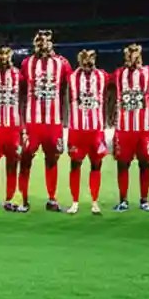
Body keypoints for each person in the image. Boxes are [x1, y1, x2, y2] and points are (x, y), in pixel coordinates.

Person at [20, 29, 71, 212]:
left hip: (53, 122)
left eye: (46, 41)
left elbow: (66, 92)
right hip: (32, 122)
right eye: (39, 41)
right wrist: (21, 123)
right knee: (25, 160)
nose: (42, 44)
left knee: (52, 160)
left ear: (52, 43)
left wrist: (65, 121)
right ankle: (24, 200)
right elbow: (22, 93)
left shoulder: (62, 64)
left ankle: (52, 199)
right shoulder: (27, 63)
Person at [111, 44, 149, 212]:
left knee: (145, 164)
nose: (133, 58)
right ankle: (123, 200)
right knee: (122, 165)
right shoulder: (118, 74)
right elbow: (107, 92)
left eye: (136, 55)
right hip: (123, 130)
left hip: (143, 129)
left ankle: (144, 200)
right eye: (130, 55)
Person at [65, 49, 109, 214]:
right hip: (76, 131)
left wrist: (110, 117)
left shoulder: (103, 76)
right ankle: (75, 202)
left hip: (96, 131)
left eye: (90, 59)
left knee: (96, 166)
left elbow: (111, 95)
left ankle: (94, 202)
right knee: (75, 166)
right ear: (79, 60)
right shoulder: (71, 77)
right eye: (84, 60)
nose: (88, 63)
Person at [0, 46, 23, 213]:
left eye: (6, 55)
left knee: (12, 165)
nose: (3, 58)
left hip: (13, 128)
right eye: (0, 55)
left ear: (11, 56)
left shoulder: (19, 76)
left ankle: (9, 199)